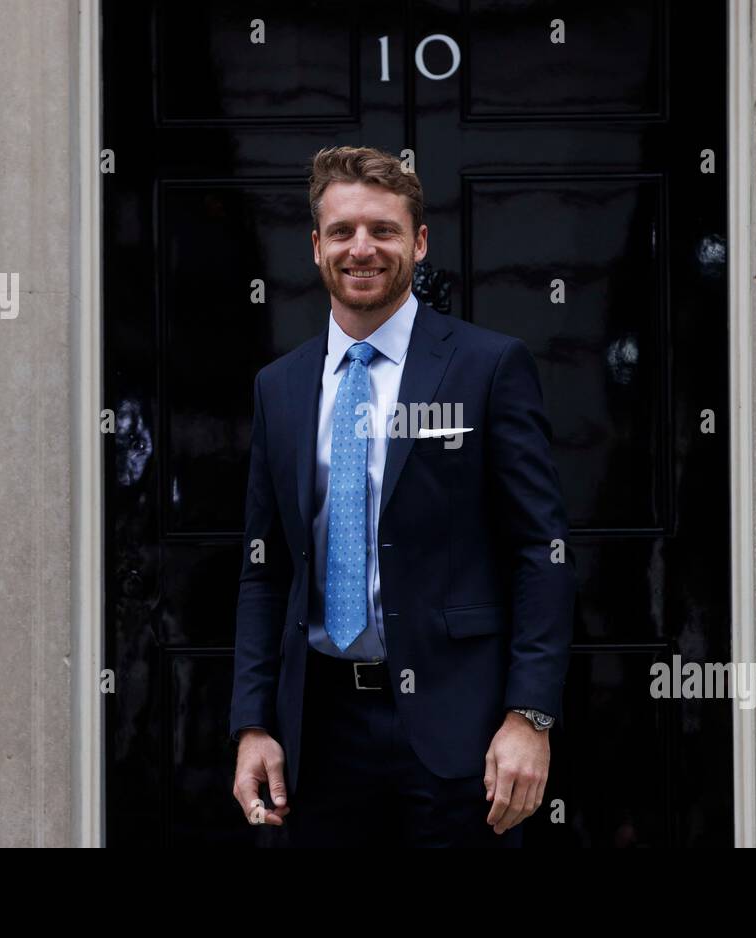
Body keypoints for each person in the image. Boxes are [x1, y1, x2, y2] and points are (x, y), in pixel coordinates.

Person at [228, 145, 575, 847]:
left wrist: (530, 717)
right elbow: (265, 573)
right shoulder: (280, 388)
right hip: (317, 736)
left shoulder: (487, 367)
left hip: (461, 736)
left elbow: (542, 551)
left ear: (417, 242)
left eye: (383, 230)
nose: (363, 248)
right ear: (316, 245)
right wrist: (253, 722)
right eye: (343, 230)